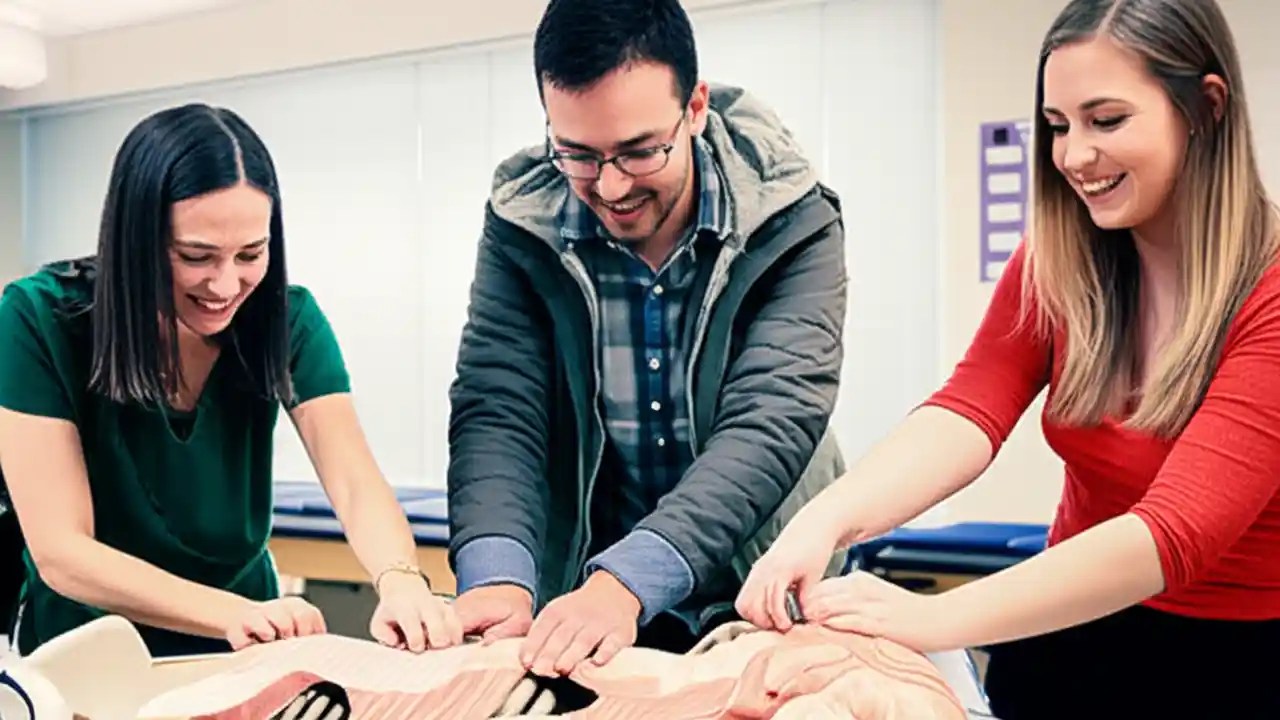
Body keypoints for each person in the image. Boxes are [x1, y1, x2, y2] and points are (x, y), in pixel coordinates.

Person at [737, 0, 1280, 717]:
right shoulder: (1060, 262)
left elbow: (1176, 535)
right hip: (1074, 630)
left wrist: (931, 618)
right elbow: (968, 411)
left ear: (1206, 109)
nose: (1074, 156)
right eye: (1058, 126)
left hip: (1235, 659)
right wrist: (824, 522)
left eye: (1106, 120)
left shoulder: (1268, 294)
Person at [446, 0, 848, 680]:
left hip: (761, 590)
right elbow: (500, 408)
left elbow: (771, 422)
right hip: (594, 597)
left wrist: (628, 581)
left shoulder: (794, 219)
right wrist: (498, 576)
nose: (609, 185)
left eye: (639, 151)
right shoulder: (521, 224)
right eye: (576, 153)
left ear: (695, 108)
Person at [0, 103, 463, 658]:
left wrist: (400, 580)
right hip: (90, 650)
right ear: (134, 240)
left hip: (245, 644)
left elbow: (354, 481)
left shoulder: (287, 319)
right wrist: (238, 616)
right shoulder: (37, 318)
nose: (225, 284)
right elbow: (62, 552)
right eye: (196, 256)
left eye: (251, 253)